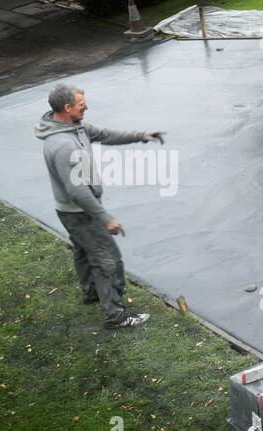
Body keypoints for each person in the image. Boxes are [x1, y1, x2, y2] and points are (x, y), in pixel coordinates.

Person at [35, 84, 164, 329]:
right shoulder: (63, 145)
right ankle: (116, 316)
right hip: (80, 213)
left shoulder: (75, 127)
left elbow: (104, 134)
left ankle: (92, 293)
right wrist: (105, 218)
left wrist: (141, 135)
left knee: (84, 252)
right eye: (82, 106)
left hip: (73, 211)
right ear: (67, 107)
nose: (87, 108)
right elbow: (77, 191)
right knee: (108, 260)